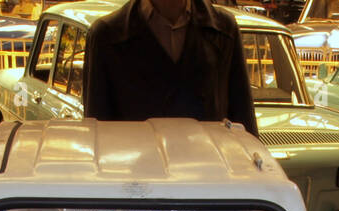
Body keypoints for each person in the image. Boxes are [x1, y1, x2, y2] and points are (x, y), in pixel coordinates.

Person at [83, 0, 259, 136]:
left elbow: (245, 130)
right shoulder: (106, 36)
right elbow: (98, 139)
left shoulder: (224, 31)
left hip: (207, 177)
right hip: (138, 178)